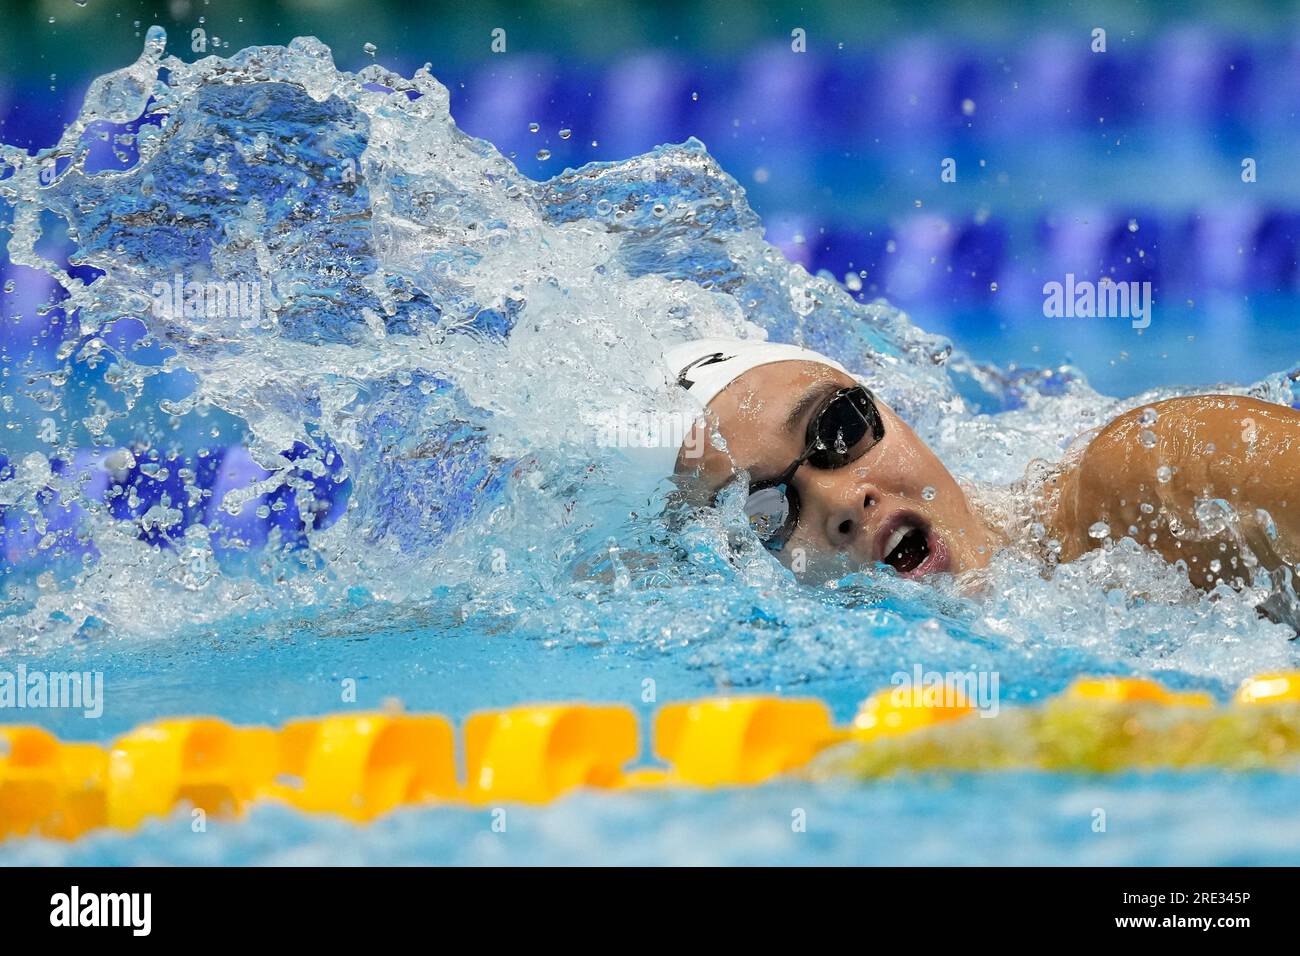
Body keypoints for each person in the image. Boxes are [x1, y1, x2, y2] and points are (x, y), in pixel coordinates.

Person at [662, 339, 1300, 620]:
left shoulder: (1145, 475)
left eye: (838, 429)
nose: (840, 500)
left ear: (894, 411)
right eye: (763, 516)